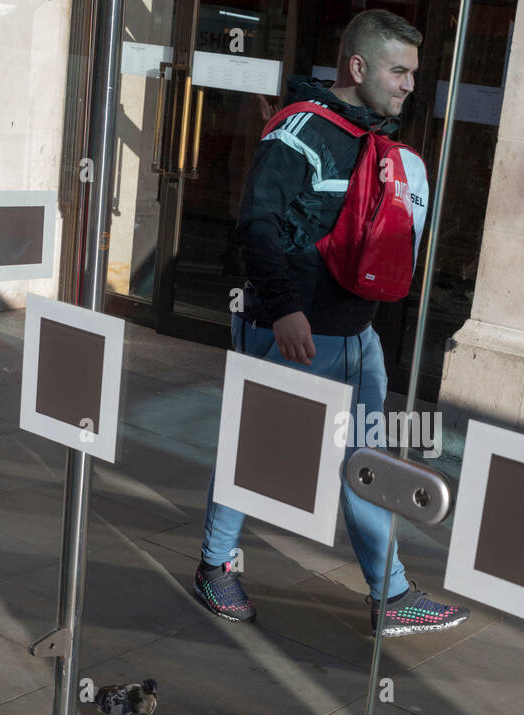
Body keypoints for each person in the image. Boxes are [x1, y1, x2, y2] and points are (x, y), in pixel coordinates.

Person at [194, 9, 469, 638]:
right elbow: (256, 226)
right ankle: (214, 567)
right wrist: (286, 309)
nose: (407, 85)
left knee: (363, 462)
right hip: (298, 332)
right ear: (357, 67)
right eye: (398, 71)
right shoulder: (299, 133)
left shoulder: (373, 140)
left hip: (353, 336)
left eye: (412, 73)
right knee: (258, 451)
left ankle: (390, 594)